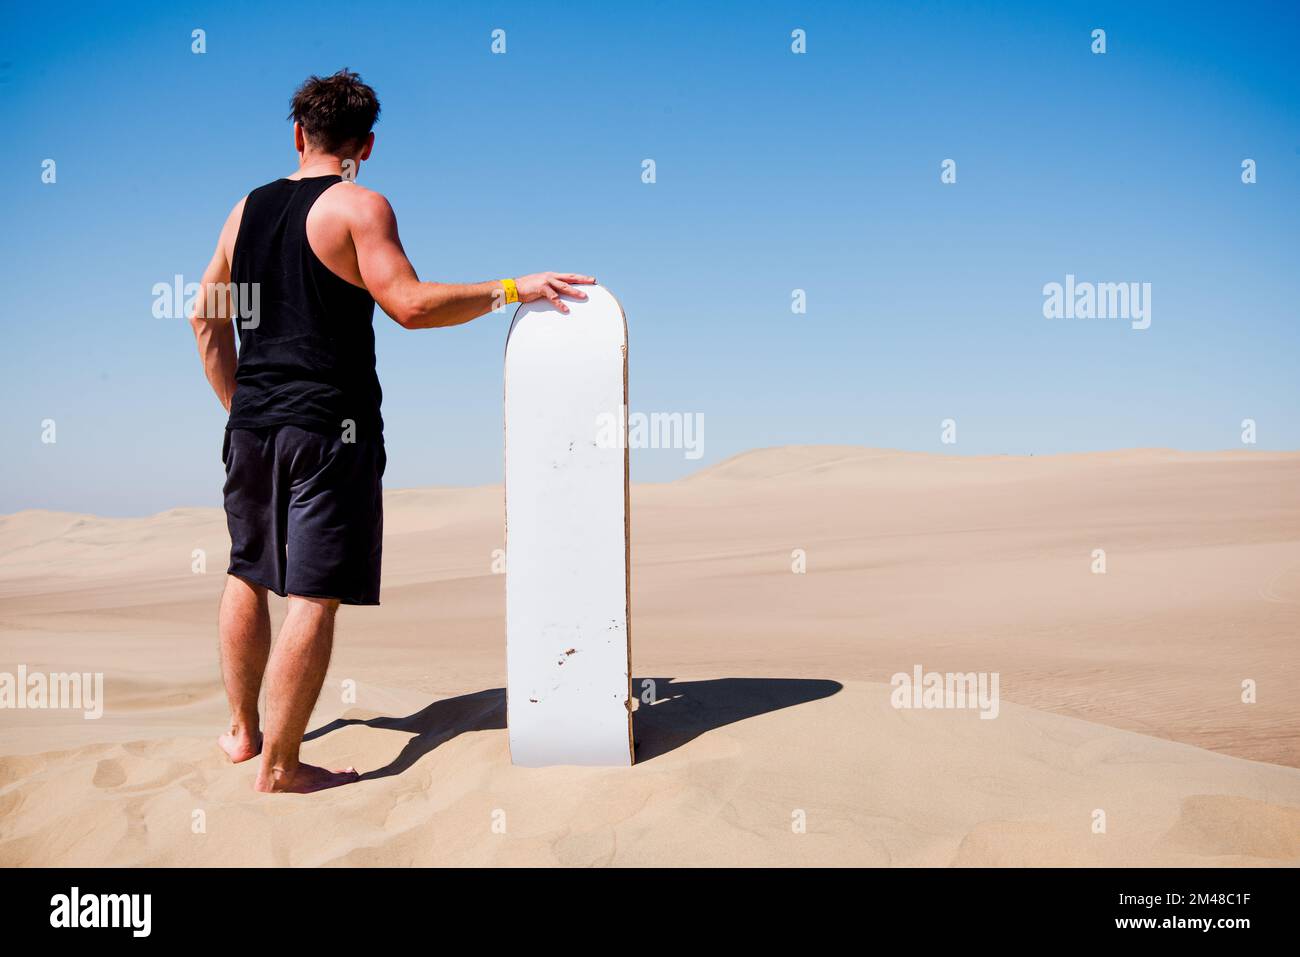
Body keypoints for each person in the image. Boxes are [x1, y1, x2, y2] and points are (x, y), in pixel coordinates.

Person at [188, 68, 594, 793]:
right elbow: (407, 304)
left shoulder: (242, 211)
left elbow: (204, 316)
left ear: (297, 133)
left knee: (247, 572)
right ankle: (282, 767)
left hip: (253, 424)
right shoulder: (357, 206)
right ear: (365, 145)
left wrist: (240, 408)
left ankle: (244, 731)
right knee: (312, 593)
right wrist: (512, 288)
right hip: (327, 430)